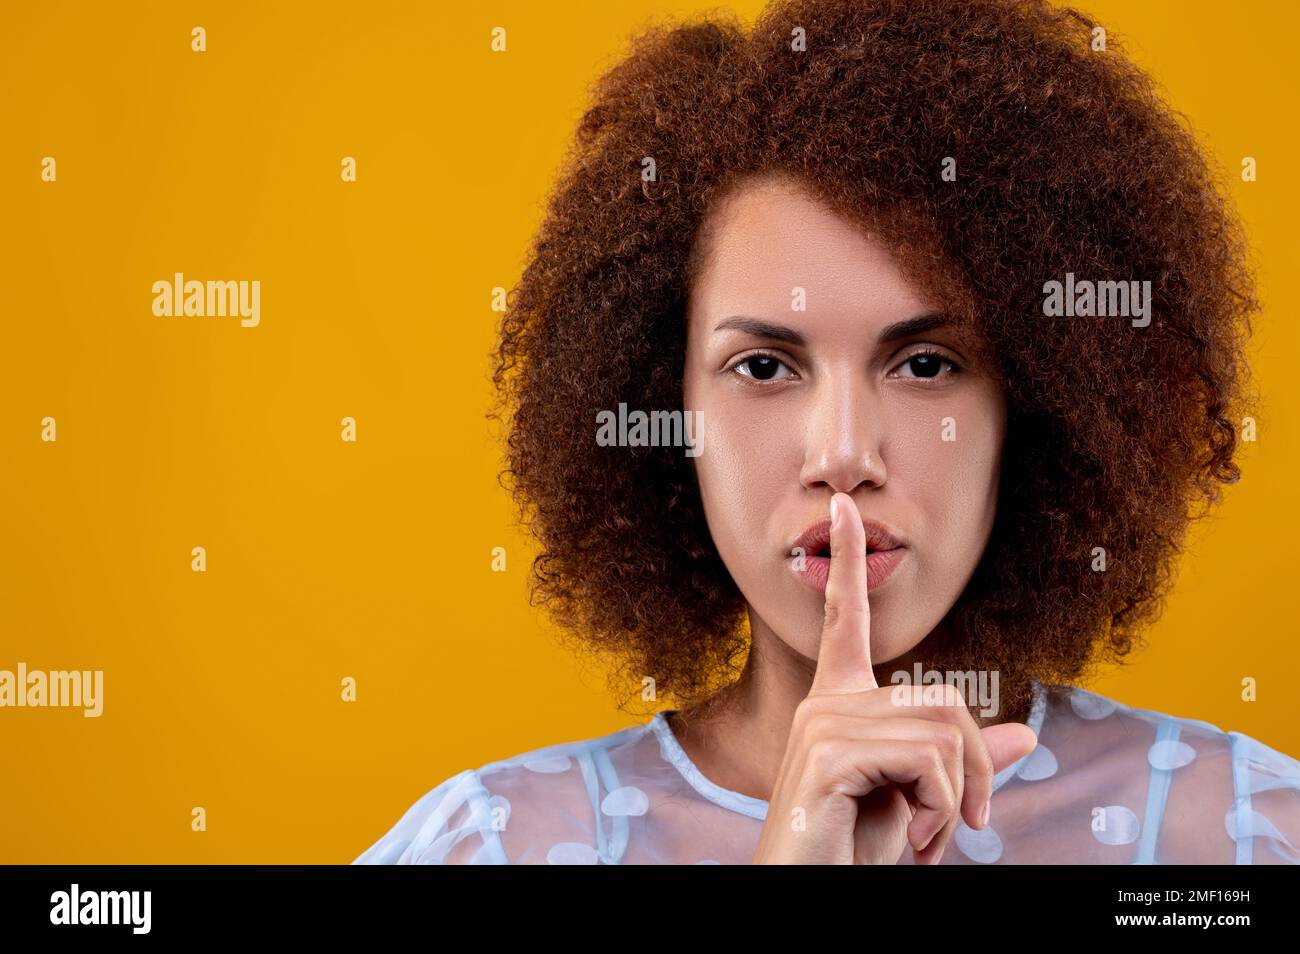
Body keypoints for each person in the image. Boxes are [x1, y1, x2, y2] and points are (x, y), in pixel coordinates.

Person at [354, 0, 1300, 864]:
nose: (844, 454)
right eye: (764, 368)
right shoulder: (489, 845)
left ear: (1043, 403)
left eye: (925, 365)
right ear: (664, 404)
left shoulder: (1235, 837)